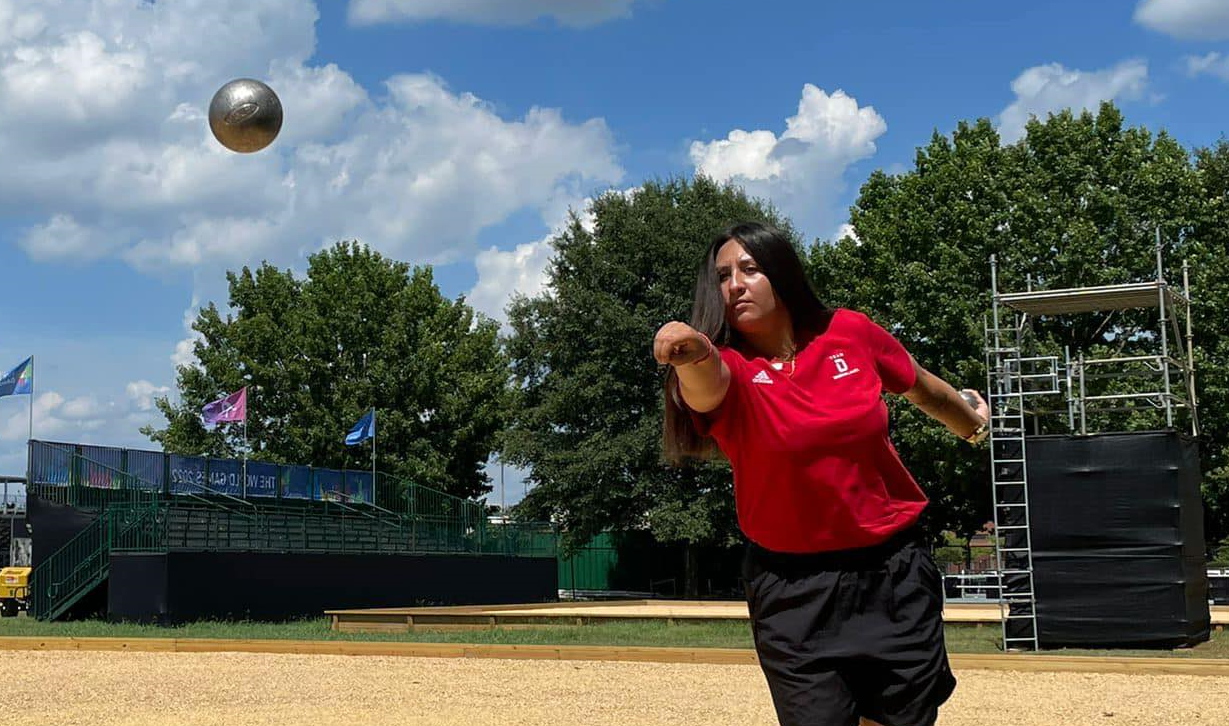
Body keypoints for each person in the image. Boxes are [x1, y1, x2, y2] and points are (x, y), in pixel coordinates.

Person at [653, 221, 989, 726]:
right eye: (722, 276)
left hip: (893, 571)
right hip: (792, 592)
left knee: (903, 718)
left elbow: (921, 387)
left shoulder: (850, 332)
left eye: (750, 269)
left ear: (783, 274)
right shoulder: (732, 369)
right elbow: (705, 386)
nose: (735, 285)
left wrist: (974, 427)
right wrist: (692, 351)